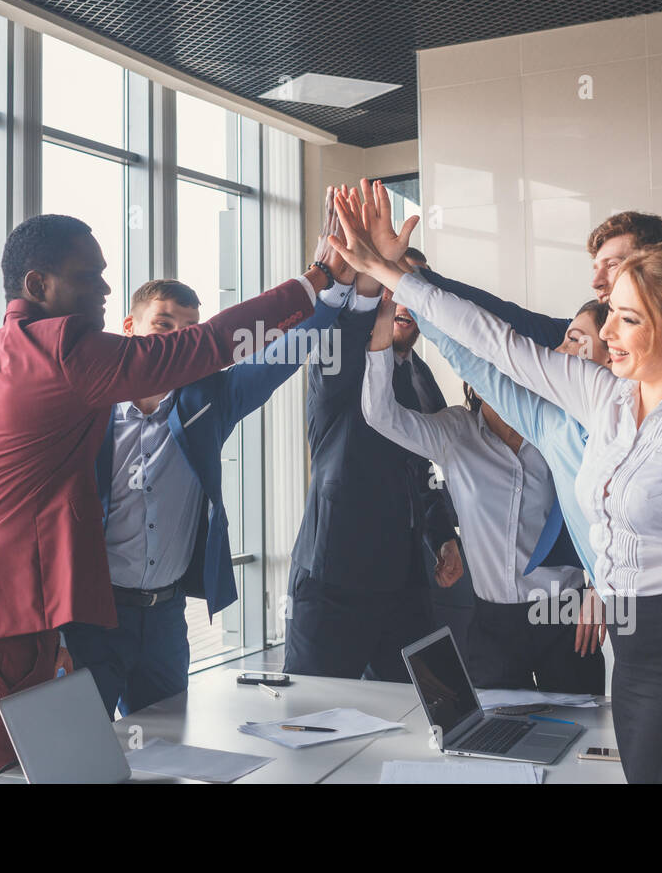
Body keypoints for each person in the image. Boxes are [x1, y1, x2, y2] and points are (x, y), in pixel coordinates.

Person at [329, 197, 662, 784]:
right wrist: (391, 272)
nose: (606, 330)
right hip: (632, 654)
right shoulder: (601, 400)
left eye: (628, 318)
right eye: (611, 312)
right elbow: (492, 339)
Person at [0, 213, 337, 783]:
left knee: (56, 772)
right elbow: (211, 343)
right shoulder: (67, 349)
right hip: (10, 632)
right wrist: (314, 280)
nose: (104, 287)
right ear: (38, 286)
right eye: (89, 276)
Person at [61, 258, 353, 719]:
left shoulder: (211, 399)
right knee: (79, 752)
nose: (179, 337)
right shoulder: (89, 412)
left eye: (190, 328)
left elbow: (285, 352)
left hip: (164, 621)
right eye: (163, 323)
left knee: (166, 750)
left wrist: (335, 291)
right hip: (93, 618)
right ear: (129, 328)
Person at [362, 295, 604, 693]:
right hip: (493, 625)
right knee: (492, 743)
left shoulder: (561, 429)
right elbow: (380, 414)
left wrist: (598, 585)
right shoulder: (455, 434)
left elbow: (601, 509)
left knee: (581, 739)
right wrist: (385, 321)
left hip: (566, 616)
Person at [284, 181, 459, 682]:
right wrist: (359, 270)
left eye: (414, 292)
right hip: (334, 574)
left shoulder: (422, 377)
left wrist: (443, 535)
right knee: (313, 711)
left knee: (419, 710)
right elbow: (347, 325)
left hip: (405, 579)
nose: (403, 302)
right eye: (393, 286)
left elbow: (424, 470)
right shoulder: (341, 361)